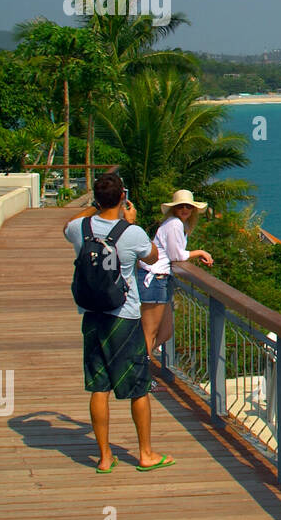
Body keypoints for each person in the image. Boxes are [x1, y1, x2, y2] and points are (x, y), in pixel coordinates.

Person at [65, 172, 174, 473]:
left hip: (92, 316)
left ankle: (104, 457)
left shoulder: (80, 228)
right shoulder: (132, 232)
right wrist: (131, 219)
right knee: (138, 387)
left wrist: (93, 207)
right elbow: (152, 257)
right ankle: (146, 454)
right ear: (123, 198)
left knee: (99, 387)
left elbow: (66, 225)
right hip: (124, 318)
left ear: (97, 198)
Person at [137, 190, 213, 382]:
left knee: (165, 331)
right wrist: (200, 252)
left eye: (189, 206)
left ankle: (136, 360)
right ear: (174, 208)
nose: (185, 209)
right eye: (181, 206)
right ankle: (140, 376)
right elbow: (176, 255)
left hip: (160, 279)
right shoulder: (174, 225)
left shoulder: (177, 224)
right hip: (154, 278)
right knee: (150, 331)